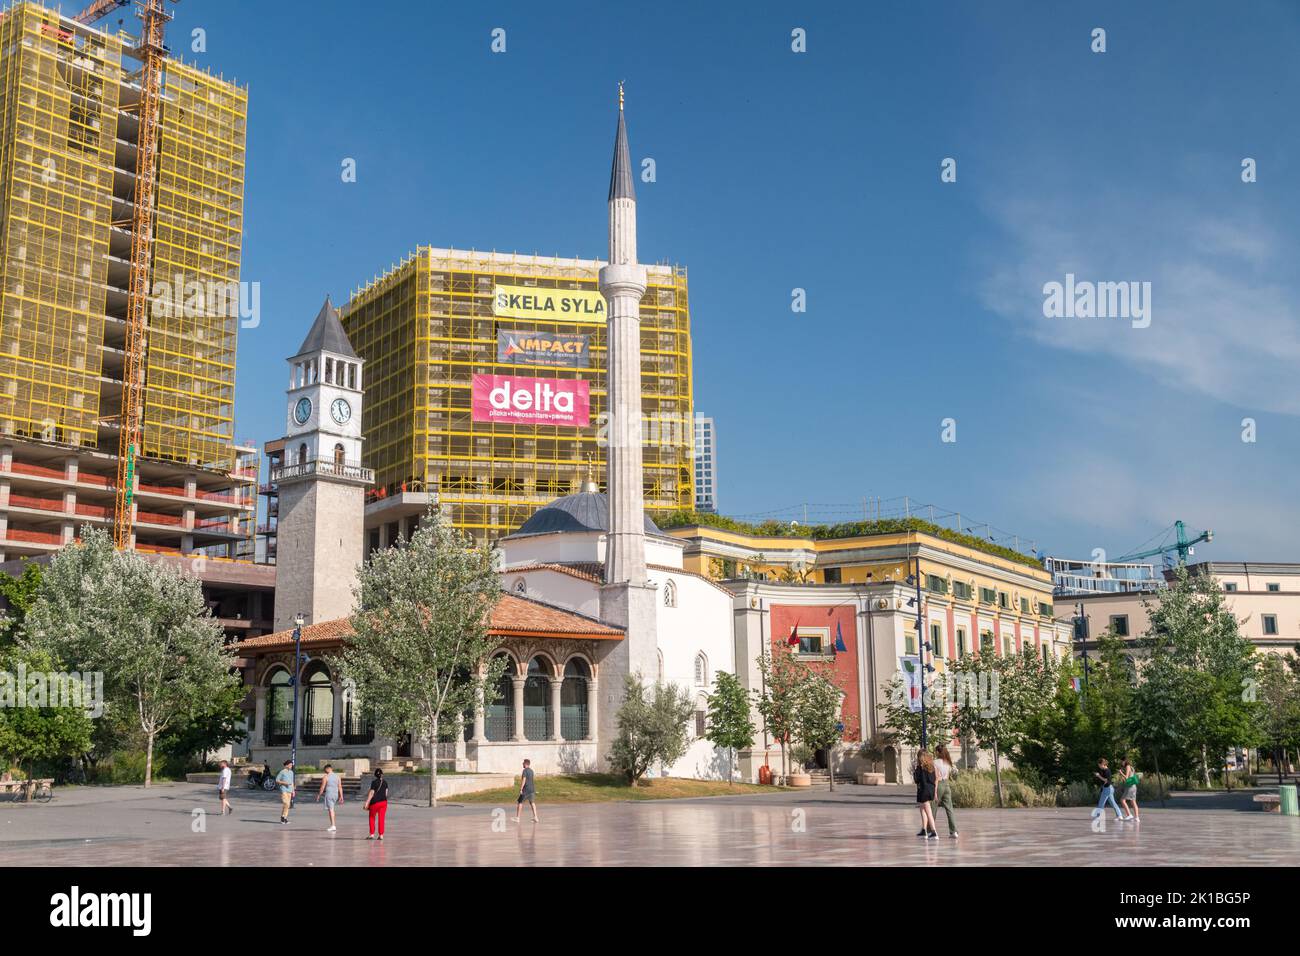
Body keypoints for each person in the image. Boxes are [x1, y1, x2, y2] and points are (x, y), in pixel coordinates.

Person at [932, 744, 959, 839]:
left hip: (938, 785)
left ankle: (930, 830)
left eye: (936, 751)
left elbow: (936, 776)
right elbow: (947, 776)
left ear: (938, 752)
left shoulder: (935, 762)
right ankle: (953, 831)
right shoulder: (947, 762)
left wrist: (934, 790)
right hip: (947, 785)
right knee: (949, 809)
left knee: (933, 808)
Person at [913, 751, 938, 840]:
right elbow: (935, 779)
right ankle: (924, 830)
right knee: (922, 808)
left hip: (924, 790)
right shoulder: (931, 767)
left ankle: (934, 831)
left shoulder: (920, 768)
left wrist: (915, 770)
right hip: (930, 789)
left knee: (928, 811)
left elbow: (916, 780)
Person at [1091, 757, 1123, 822]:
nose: (1099, 766)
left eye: (1099, 765)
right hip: (1108, 788)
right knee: (1113, 803)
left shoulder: (1107, 771)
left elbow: (1106, 780)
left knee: (1101, 803)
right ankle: (1120, 816)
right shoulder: (1104, 770)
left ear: (1102, 764)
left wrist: (1098, 776)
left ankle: (1098, 816)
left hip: (1107, 789)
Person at [363, 768, 389, 841]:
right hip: (383, 802)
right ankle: (381, 835)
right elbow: (386, 793)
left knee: (372, 817)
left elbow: (371, 793)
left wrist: (367, 802)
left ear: (375, 775)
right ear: (382, 774)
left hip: (375, 803)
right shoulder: (385, 782)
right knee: (381, 819)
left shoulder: (374, 782)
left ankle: (371, 834)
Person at [316, 763, 342, 832]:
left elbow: (322, 787)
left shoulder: (326, 777)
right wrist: (341, 796)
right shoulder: (337, 776)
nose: (325, 772)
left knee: (331, 809)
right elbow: (340, 787)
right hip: (335, 794)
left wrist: (319, 795)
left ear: (328, 769)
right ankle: (333, 825)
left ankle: (333, 825)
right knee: (332, 808)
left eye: (325, 770)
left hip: (329, 794)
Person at [514, 758, 538, 823]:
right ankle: (535, 817)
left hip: (526, 790)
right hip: (532, 789)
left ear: (525, 764)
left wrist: (521, 788)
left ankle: (517, 818)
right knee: (532, 803)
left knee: (520, 802)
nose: (522, 764)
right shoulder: (531, 771)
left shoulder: (525, 770)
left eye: (523, 763)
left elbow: (524, 780)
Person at [275, 759, 295, 825]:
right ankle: (283, 817)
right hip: (284, 790)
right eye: (290, 765)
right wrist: (284, 783)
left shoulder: (291, 772)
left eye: (291, 765)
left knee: (287, 805)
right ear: (286, 765)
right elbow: (277, 780)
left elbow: (292, 782)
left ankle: (284, 818)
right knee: (286, 803)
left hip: (290, 790)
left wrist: (293, 790)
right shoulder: (282, 772)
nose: (291, 766)